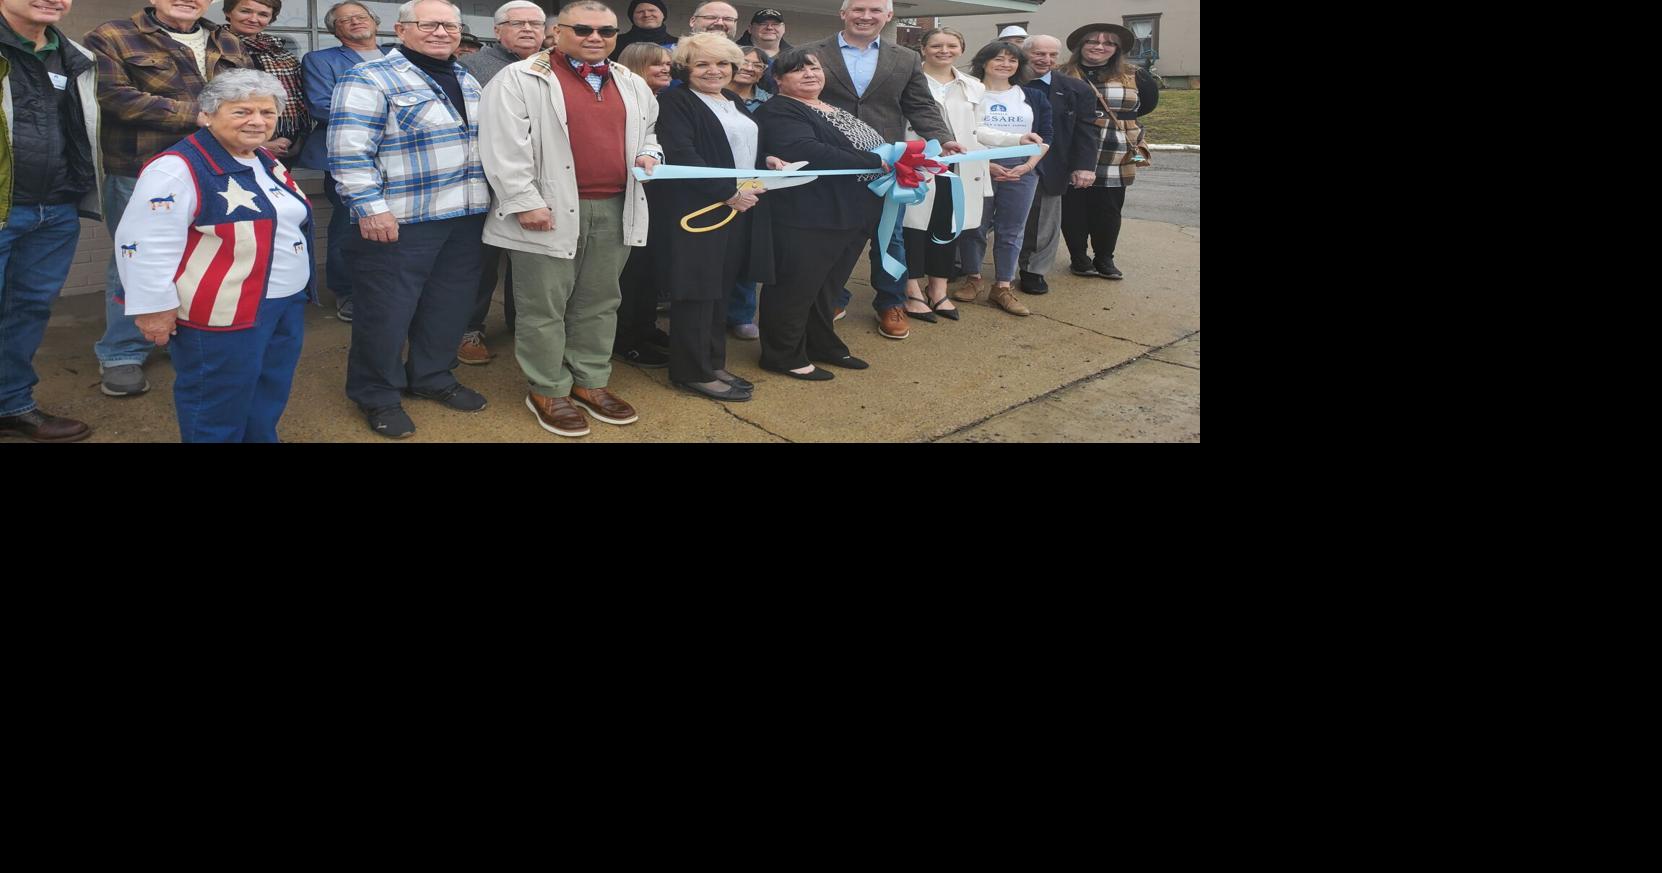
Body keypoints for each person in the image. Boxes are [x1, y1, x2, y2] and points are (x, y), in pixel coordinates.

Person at [478, 0, 661, 438]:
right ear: (556, 32)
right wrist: (524, 201)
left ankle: (591, 382)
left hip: (616, 205)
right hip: (550, 208)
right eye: (582, 29)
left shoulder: (630, 82)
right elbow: (503, 146)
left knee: (600, 302)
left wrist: (649, 154)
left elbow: (649, 132)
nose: (595, 38)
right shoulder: (520, 78)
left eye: (606, 31)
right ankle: (548, 388)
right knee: (544, 306)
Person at [115, 69, 313, 442]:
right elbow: (144, 242)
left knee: (267, 392)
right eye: (241, 112)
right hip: (224, 310)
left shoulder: (264, 159)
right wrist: (153, 307)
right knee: (216, 403)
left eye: (267, 113)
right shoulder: (177, 167)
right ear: (207, 114)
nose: (257, 121)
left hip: (281, 302)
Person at [329, 0, 491, 439]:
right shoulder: (368, 77)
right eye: (430, 24)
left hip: (465, 215)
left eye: (451, 25)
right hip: (400, 221)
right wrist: (370, 208)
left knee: (449, 307)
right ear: (401, 30)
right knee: (386, 313)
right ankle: (376, 394)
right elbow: (348, 152)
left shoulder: (466, 78)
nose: (442, 32)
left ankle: (432, 376)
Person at [84, 0, 251, 398]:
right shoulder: (112, 35)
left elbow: (245, 95)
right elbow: (114, 97)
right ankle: (122, 352)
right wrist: (200, 115)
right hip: (141, 169)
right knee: (135, 257)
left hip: (213, 168)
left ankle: (185, 337)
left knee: (203, 254)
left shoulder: (225, 39)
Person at [800, 0, 958, 341]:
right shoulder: (811, 53)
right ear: (843, 13)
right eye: (858, 9)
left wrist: (942, 139)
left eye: (875, 10)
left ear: (888, 16)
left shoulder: (905, 57)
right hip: (831, 162)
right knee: (832, 235)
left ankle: (890, 301)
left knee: (890, 238)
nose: (866, 16)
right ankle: (832, 297)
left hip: (888, 165)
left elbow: (919, 104)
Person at [651, 32, 775, 402]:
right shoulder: (676, 101)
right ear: (685, 67)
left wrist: (767, 163)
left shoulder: (733, 98)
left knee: (720, 290)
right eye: (702, 63)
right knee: (695, 292)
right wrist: (728, 193)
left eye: (722, 63)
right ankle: (690, 371)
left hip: (737, 206)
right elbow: (681, 154)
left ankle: (712, 362)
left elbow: (746, 145)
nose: (713, 71)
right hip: (698, 209)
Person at [754, 47, 887, 381]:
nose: (810, 74)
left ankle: (820, 342)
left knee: (827, 287)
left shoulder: (829, 107)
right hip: (809, 213)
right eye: (798, 70)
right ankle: (782, 354)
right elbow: (806, 150)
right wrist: (875, 162)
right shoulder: (780, 110)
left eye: (814, 67)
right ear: (778, 80)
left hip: (850, 211)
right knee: (796, 286)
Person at [0, 0, 100, 442]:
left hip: (55, 207)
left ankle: (12, 404)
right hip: (4, 207)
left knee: (27, 310)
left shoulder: (75, 55)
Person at [898, 27, 1035, 325]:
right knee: (912, 231)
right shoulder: (907, 79)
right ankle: (911, 290)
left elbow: (979, 129)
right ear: (923, 48)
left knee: (947, 231)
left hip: (960, 168)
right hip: (919, 167)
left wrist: (1016, 139)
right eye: (936, 45)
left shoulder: (974, 86)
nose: (943, 50)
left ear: (961, 49)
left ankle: (938, 289)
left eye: (951, 45)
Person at [455, 0, 547, 367]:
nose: (527, 30)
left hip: (541, 179)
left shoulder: (553, 66)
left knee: (531, 260)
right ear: (497, 31)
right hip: (486, 179)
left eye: (535, 24)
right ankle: (468, 329)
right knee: (481, 262)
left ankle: (521, 323)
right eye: (517, 23)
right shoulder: (470, 67)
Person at [298, 2, 386, 324]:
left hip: (402, 157)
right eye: (344, 20)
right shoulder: (321, 60)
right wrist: (388, 121)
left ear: (374, 22)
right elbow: (322, 106)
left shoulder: (399, 56)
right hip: (347, 155)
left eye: (360, 16)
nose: (354, 22)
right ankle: (346, 290)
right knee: (350, 223)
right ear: (336, 31)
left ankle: (387, 284)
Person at [953, 40, 1050, 317]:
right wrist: (987, 164)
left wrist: (1029, 165)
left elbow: (1047, 134)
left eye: (1012, 60)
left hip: (1021, 169)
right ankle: (973, 279)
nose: (1005, 64)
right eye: (998, 58)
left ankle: (1003, 287)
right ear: (984, 61)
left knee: (1012, 230)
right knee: (974, 226)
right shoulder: (970, 94)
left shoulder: (1032, 96)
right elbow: (963, 133)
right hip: (977, 166)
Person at [1060, 22, 1157, 281]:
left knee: (1108, 208)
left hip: (1115, 149)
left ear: (1117, 48)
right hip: (1073, 148)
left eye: (1108, 43)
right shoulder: (1062, 73)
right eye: (1092, 41)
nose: (1099, 46)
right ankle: (1079, 258)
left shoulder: (1134, 74)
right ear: (1081, 45)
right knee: (1073, 207)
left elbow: (1147, 105)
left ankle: (1105, 258)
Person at [1016, 34, 1100, 295]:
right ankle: (965, 265)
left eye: (1052, 55)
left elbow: (1086, 132)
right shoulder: (1002, 83)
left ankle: (1033, 271)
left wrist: (1085, 165)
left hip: (1051, 164)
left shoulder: (1078, 90)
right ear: (1024, 54)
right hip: (1002, 161)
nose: (1046, 60)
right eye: (1039, 54)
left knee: (1043, 222)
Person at [610, 40, 674, 368]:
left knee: (652, 270)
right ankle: (626, 339)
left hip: (661, 199)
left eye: (667, 63)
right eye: (655, 64)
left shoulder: (664, 99)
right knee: (630, 274)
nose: (665, 69)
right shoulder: (622, 102)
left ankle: (645, 327)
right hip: (631, 196)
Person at [222, 0, 310, 161]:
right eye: (245, 11)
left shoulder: (282, 54)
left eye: (263, 14)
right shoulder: (214, 47)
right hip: (229, 145)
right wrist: (259, 144)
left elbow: (299, 101)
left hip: (284, 147)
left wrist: (292, 139)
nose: (254, 19)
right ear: (229, 12)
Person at [722, 43, 769, 341]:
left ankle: (741, 314)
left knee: (745, 251)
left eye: (758, 64)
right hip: (713, 184)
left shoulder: (769, 102)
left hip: (753, 183)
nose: (750, 67)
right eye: (744, 61)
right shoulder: (706, 96)